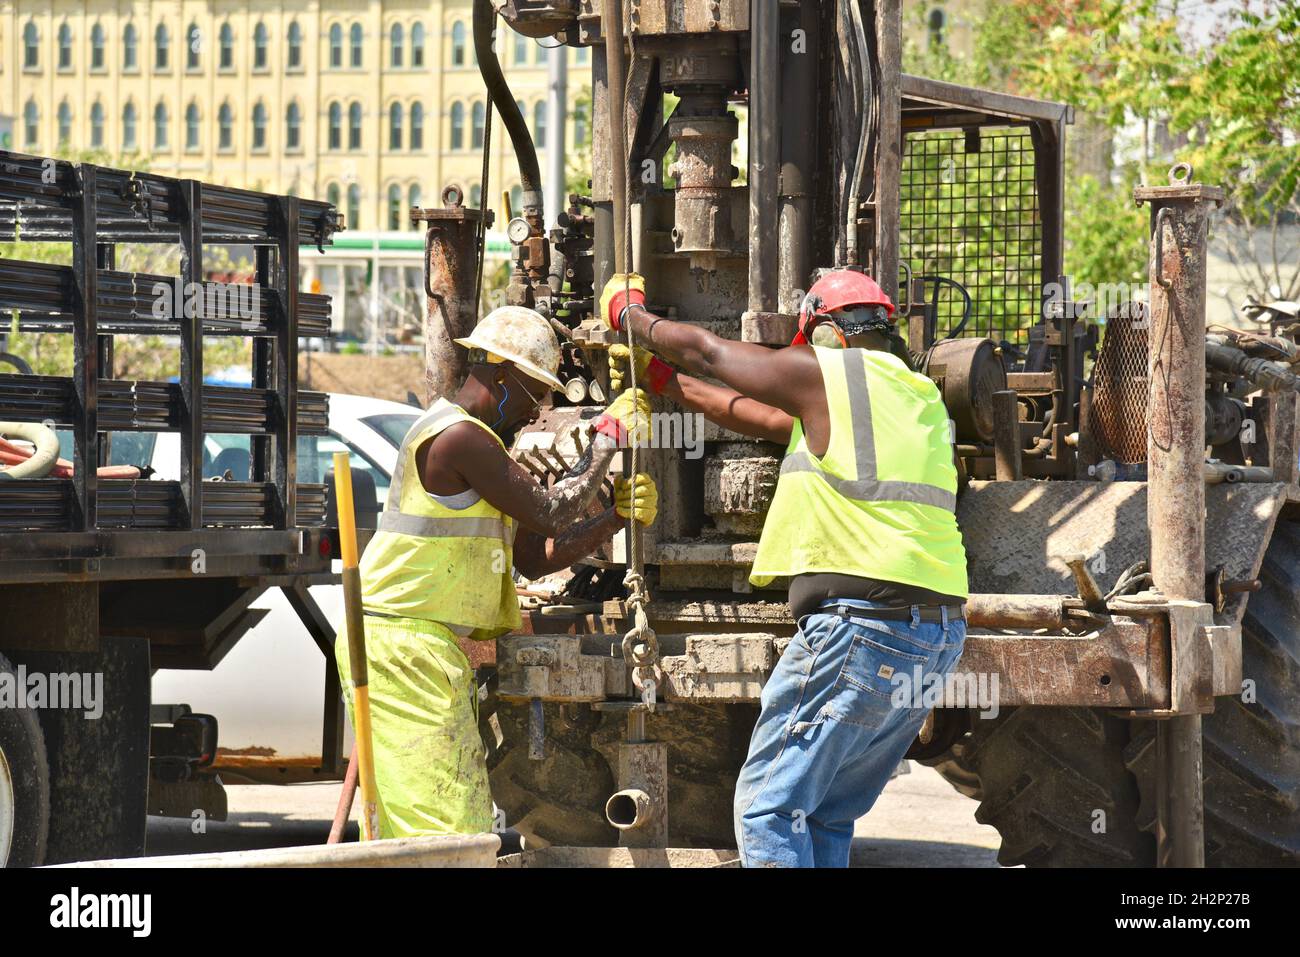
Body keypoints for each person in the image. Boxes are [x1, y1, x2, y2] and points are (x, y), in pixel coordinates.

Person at [599, 270, 969, 867]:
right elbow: (750, 414)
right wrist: (662, 381)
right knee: (821, 813)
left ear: (823, 330)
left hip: (860, 628)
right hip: (934, 633)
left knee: (769, 808)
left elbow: (708, 352)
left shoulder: (828, 372)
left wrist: (630, 317)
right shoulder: (915, 393)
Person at [337, 305, 656, 837]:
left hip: (422, 644)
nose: (536, 413)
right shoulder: (458, 438)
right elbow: (552, 510)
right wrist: (607, 436)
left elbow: (534, 556)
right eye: (537, 395)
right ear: (503, 375)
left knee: (429, 817)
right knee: (444, 822)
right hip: (401, 643)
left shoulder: (487, 448)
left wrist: (614, 519)